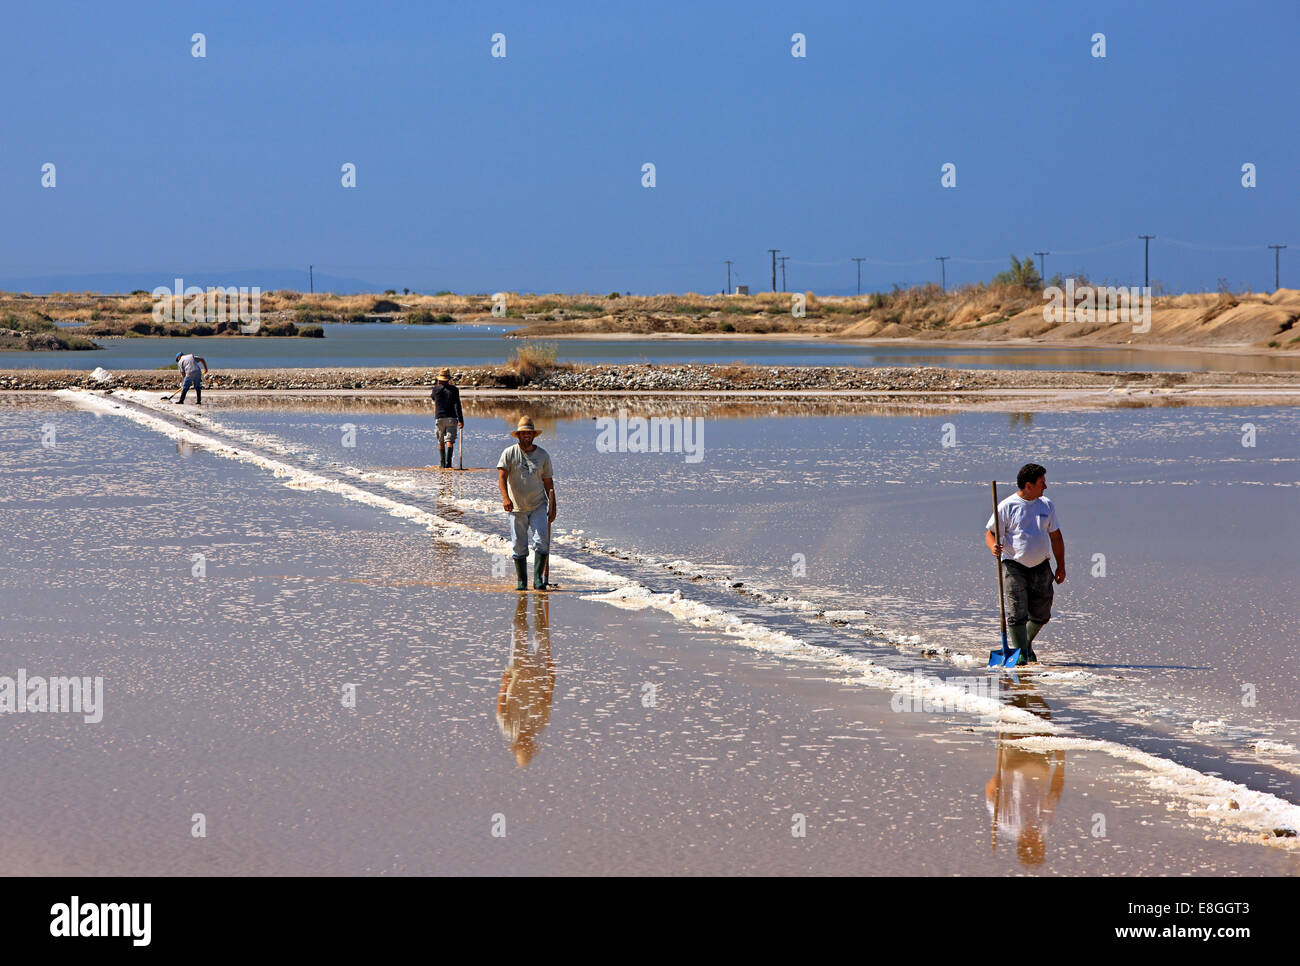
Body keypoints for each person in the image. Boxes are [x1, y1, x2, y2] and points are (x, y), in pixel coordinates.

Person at [984, 462, 1065, 665]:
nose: (1045, 486)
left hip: (1041, 565)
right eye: (1041, 483)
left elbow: (1056, 537)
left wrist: (1061, 565)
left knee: (1042, 613)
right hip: (1014, 564)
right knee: (1017, 610)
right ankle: (1020, 654)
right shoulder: (1007, 506)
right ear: (1028, 485)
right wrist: (993, 546)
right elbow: (990, 534)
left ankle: (1025, 644)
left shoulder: (1046, 505)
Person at [497, 416, 556, 591]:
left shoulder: (543, 455)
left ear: (533, 435)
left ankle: (538, 579)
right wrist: (505, 498)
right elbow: (502, 477)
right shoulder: (509, 453)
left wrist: (553, 506)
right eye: (524, 434)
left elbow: (548, 482)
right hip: (516, 507)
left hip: (538, 505)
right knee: (518, 544)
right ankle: (522, 581)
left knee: (541, 541)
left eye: (529, 433)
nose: (527, 436)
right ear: (518, 435)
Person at [430, 367, 463, 468]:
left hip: (439, 418)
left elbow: (432, 397)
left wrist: (438, 386)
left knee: (440, 442)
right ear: (448, 379)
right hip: (452, 419)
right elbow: (457, 405)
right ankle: (449, 465)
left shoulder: (435, 389)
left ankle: (442, 464)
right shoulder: (454, 390)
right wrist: (461, 420)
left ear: (439, 380)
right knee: (449, 441)